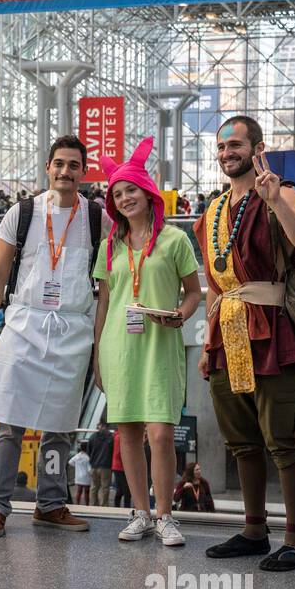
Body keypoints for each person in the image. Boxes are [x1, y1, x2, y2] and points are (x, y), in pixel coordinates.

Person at [196, 116, 295, 571]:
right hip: (226, 332)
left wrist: (277, 204)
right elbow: (216, 282)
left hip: (273, 328)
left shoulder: (280, 193)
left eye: (235, 144)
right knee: (243, 442)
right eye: (221, 146)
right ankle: (254, 529)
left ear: (257, 148)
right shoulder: (212, 211)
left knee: (283, 439)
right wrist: (208, 337)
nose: (227, 152)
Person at [0, 136, 101, 538]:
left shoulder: (98, 218)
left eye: (74, 165)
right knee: (10, 421)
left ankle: (50, 504)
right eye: (59, 164)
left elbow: (104, 284)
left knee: (60, 426)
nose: (66, 171)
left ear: (83, 172)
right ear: (48, 167)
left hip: (72, 330)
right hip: (24, 323)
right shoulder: (24, 212)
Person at [92, 137, 202, 546]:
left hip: (160, 344)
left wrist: (182, 315)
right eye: (117, 194)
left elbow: (193, 292)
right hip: (119, 348)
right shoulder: (110, 246)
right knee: (128, 434)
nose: (124, 198)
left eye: (131, 190)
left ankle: (165, 515)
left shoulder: (174, 240)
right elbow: (103, 304)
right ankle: (139, 512)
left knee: (159, 433)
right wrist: (97, 356)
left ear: (148, 191)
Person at [86, 420, 113, 506]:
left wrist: (92, 460)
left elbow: (88, 451)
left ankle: (94, 504)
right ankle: (104, 505)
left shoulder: (92, 437)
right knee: (105, 487)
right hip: (106, 466)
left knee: (94, 487)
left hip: (94, 465)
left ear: (101, 425)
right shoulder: (110, 437)